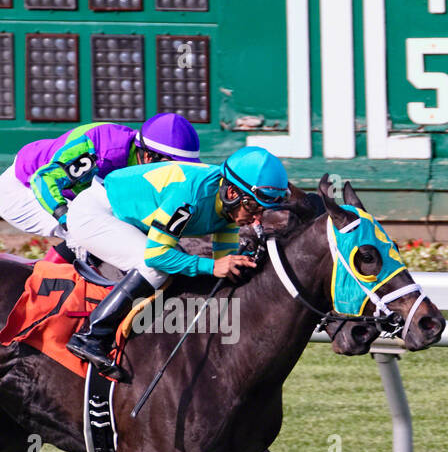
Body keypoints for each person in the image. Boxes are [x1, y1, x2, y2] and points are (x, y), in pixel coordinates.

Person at [64, 146, 290, 380]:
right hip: (95, 214)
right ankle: (91, 336)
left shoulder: (229, 202)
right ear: (232, 193)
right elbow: (157, 255)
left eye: (263, 211)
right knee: (155, 269)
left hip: (124, 215)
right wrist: (212, 266)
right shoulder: (190, 197)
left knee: (182, 263)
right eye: (253, 207)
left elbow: (225, 257)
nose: (256, 219)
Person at [0, 114, 202, 240]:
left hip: (64, 190)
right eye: (173, 166)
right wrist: (68, 220)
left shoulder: (140, 157)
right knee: (91, 234)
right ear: (148, 156)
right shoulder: (100, 154)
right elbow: (43, 180)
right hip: (25, 190)